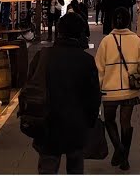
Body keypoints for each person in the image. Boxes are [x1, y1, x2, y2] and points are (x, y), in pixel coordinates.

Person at [28, 13, 102, 174]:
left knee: (48, 166)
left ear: (59, 31)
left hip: (47, 124)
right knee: (75, 167)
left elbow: (30, 85)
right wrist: (89, 122)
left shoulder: (43, 56)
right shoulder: (86, 61)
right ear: (79, 33)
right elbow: (94, 98)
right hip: (76, 126)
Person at [95, 8, 140, 170]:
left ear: (113, 22)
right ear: (129, 22)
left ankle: (118, 149)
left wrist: (97, 89)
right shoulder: (136, 40)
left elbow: (99, 68)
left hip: (109, 91)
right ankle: (124, 156)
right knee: (126, 122)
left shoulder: (106, 41)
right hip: (129, 90)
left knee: (109, 120)